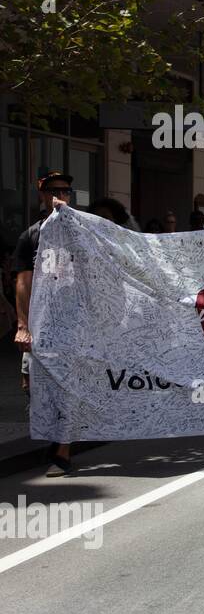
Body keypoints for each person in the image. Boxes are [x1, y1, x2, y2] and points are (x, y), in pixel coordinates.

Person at [16, 172, 78, 476]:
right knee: (33, 385)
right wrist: (23, 325)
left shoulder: (81, 234)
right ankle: (52, 439)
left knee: (67, 386)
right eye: (54, 191)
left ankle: (62, 451)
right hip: (40, 326)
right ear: (42, 195)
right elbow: (23, 283)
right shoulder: (31, 235)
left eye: (66, 191)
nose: (60, 196)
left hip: (73, 325)